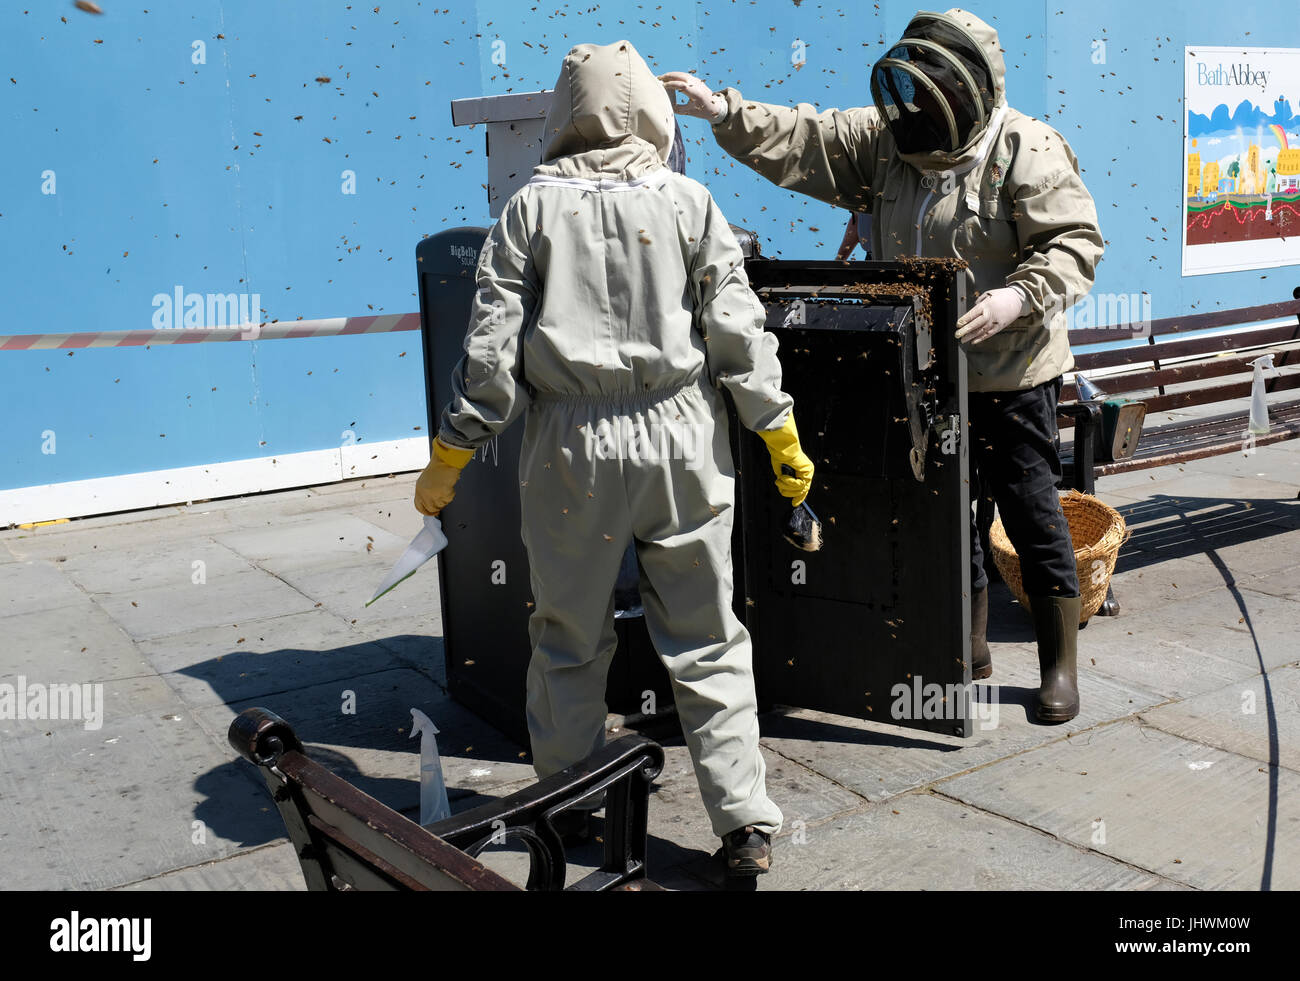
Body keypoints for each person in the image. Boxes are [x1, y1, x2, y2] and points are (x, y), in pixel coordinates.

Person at [413, 40, 815, 876]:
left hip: (570, 449)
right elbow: (739, 335)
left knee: (567, 637)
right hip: (685, 438)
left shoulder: (526, 210)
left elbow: (489, 360)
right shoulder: (691, 202)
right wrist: (778, 432)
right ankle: (745, 824)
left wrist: (454, 454)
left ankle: (567, 809)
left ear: (564, 113)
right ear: (659, 118)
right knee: (707, 636)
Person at [664, 6, 1104, 724]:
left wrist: (1015, 298)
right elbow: (806, 137)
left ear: (971, 94)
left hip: (1011, 375)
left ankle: (1059, 667)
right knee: (941, 518)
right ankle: (965, 647)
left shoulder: (1028, 147)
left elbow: (1074, 243)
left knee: (1031, 512)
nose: (917, 121)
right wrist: (724, 112)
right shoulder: (886, 142)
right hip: (923, 374)